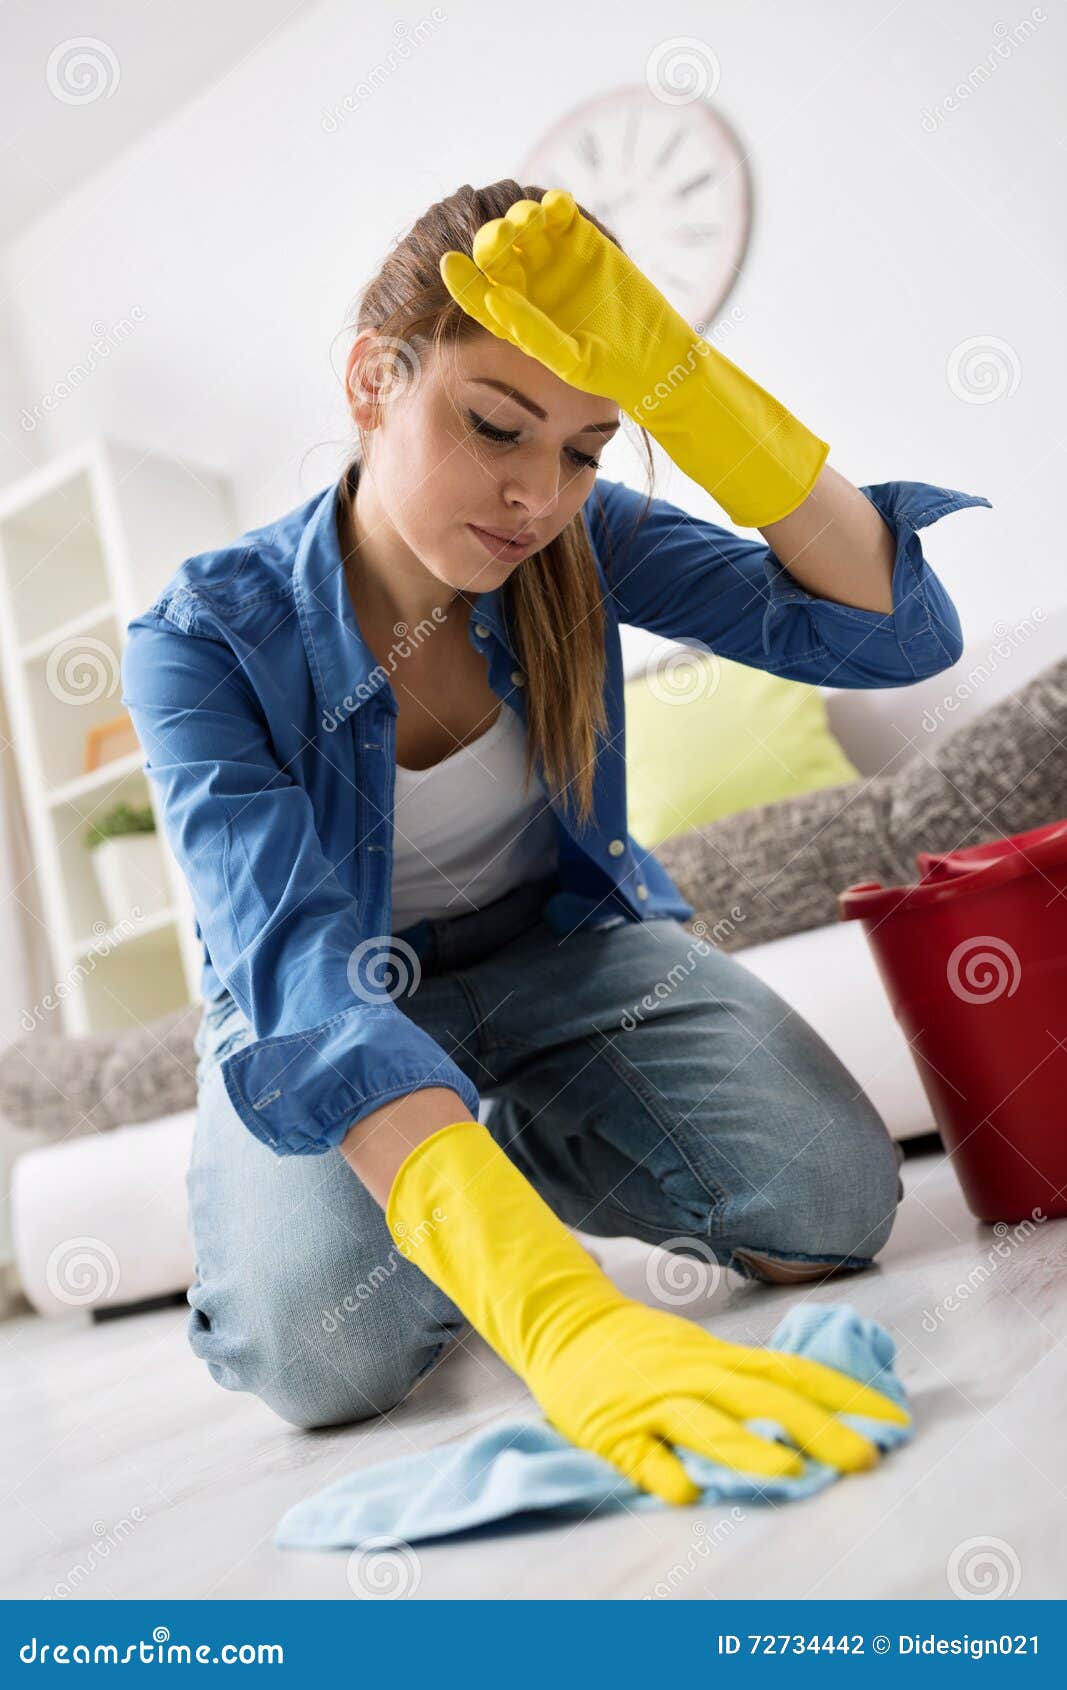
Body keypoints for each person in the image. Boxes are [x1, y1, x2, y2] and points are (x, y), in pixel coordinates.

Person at [121, 179, 987, 1505]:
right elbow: (293, 964)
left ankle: (499, 1151)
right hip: (335, 994)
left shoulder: (584, 543)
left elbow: (893, 635)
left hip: (561, 956)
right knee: (324, 1356)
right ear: (372, 382)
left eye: (586, 448)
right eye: (494, 426)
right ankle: (457, 1176)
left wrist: (690, 389)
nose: (536, 493)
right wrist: (558, 1313)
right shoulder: (200, 638)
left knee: (828, 1204)